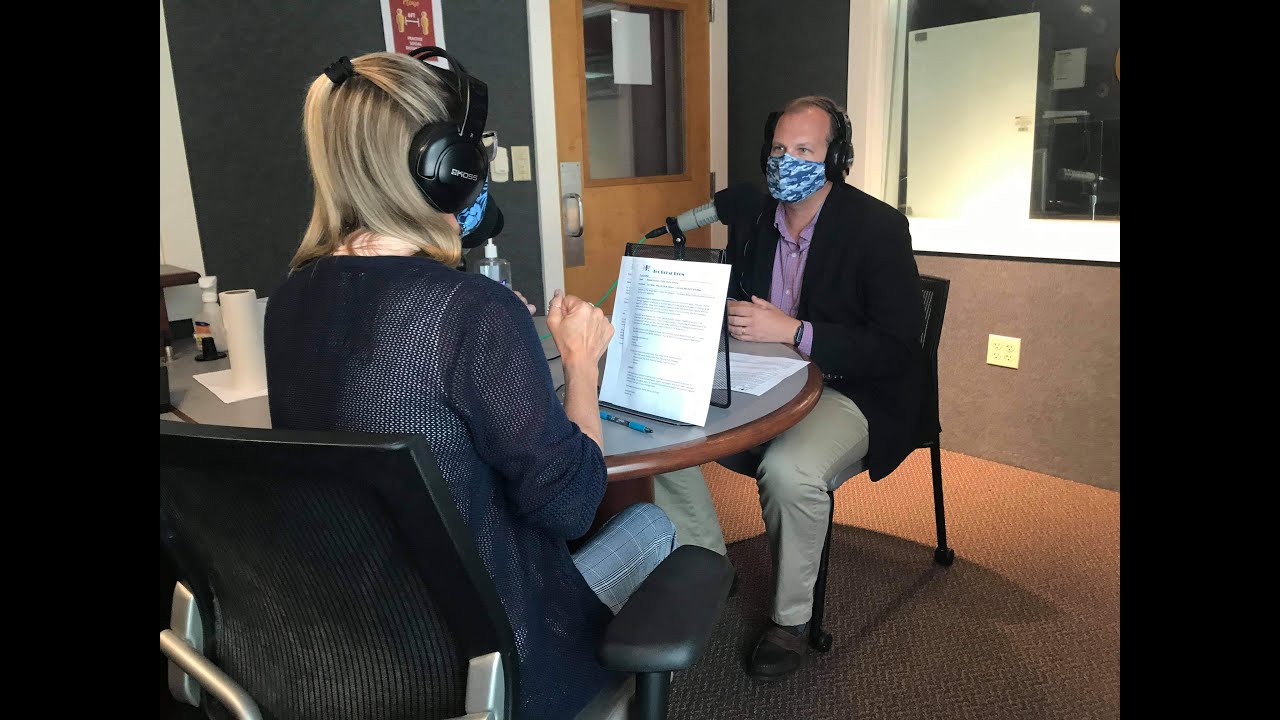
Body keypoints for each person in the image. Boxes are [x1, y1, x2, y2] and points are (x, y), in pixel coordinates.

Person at [263, 49, 677, 719]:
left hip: (354, 647)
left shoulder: (288, 301)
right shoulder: (467, 310)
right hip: (490, 663)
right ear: (444, 168)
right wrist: (579, 362)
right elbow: (572, 505)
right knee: (653, 525)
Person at [653, 95, 925, 681]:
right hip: (763, 378)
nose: (786, 160)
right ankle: (707, 561)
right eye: (779, 149)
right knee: (659, 422)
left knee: (790, 471)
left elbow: (899, 345)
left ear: (837, 157)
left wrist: (796, 331)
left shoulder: (877, 228)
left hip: (852, 388)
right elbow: (735, 305)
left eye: (804, 149)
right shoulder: (754, 219)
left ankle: (790, 620)